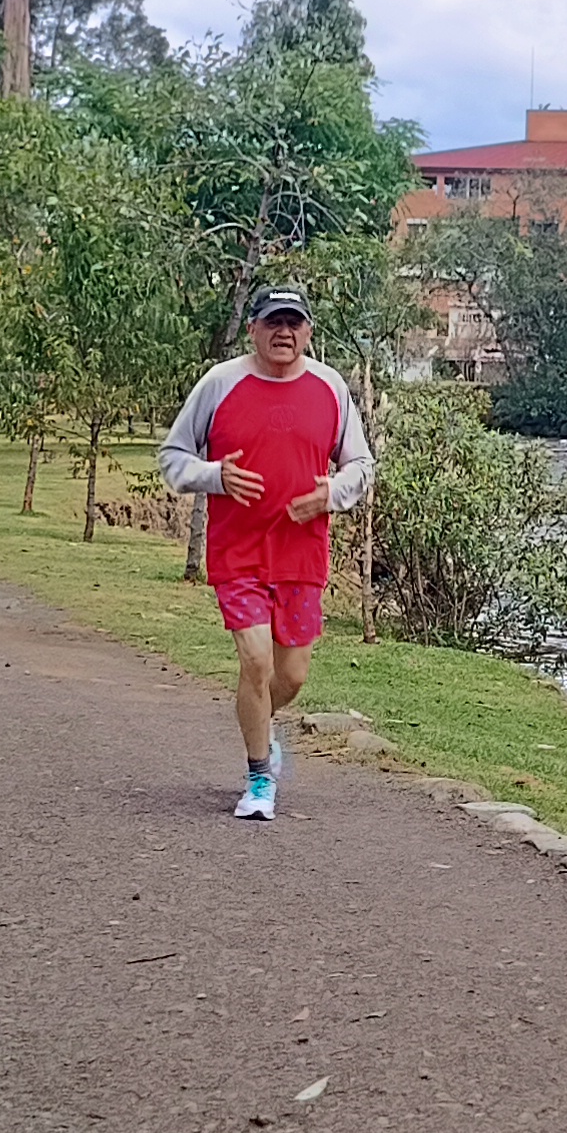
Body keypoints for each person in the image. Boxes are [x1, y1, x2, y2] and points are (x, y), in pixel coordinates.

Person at [157, 289, 373, 819]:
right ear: (252, 328)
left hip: (302, 554)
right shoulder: (220, 383)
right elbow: (172, 458)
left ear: (309, 332)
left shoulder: (330, 387)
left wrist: (332, 494)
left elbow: (361, 467)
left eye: (294, 323)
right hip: (239, 553)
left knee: (290, 676)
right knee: (254, 661)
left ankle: (257, 722)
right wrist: (216, 476)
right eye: (273, 321)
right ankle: (259, 781)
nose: (284, 332)